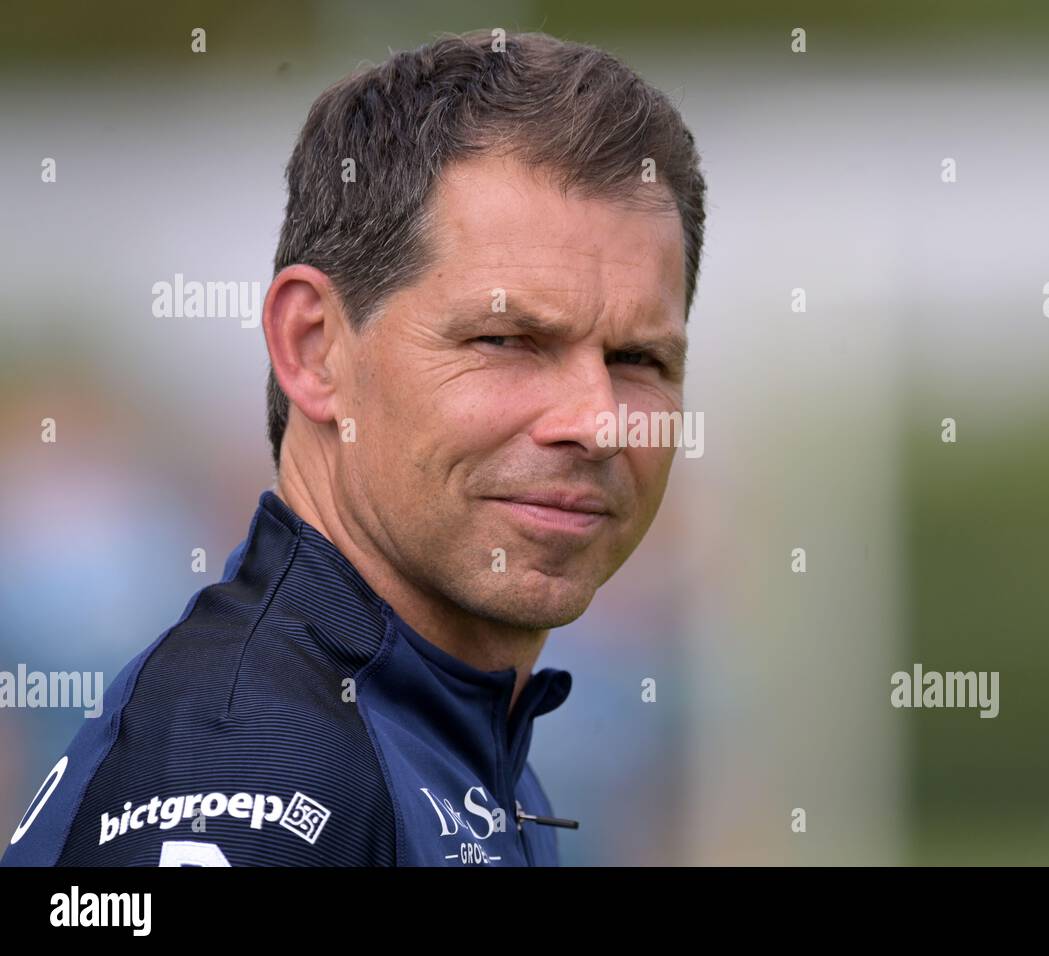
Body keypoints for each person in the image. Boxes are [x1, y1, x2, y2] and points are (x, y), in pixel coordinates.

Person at [2, 28, 706, 866]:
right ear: (312, 349)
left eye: (639, 359)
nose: (599, 421)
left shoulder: (444, 730)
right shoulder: (253, 769)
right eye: (508, 340)